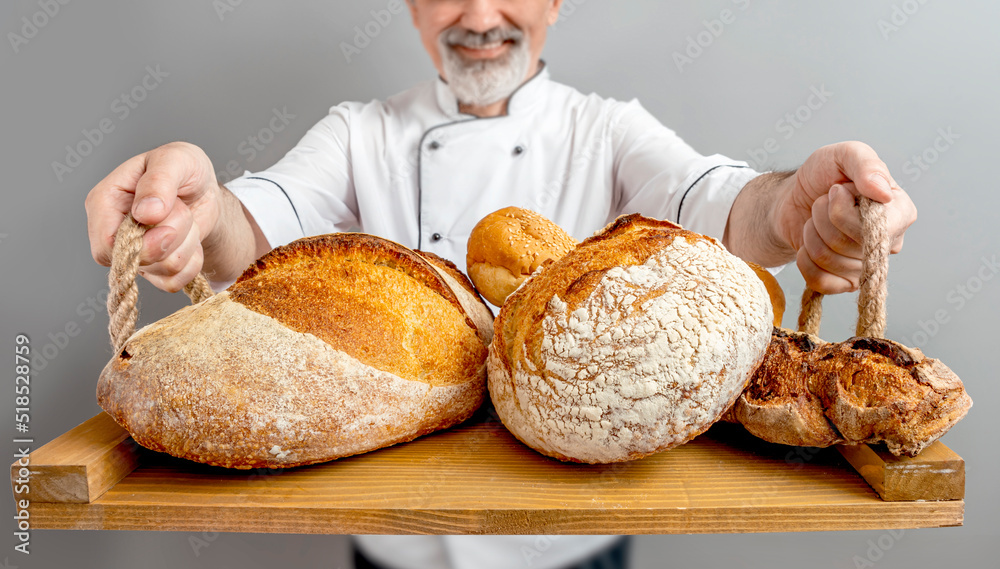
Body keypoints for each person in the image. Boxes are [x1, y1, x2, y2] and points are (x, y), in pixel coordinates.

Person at [85, 1, 917, 568]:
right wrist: (201, 213)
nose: (480, 15)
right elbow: (256, 228)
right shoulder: (358, 134)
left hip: (573, 548)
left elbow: (720, 204)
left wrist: (793, 207)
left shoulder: (606, 128)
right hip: (395, 547)